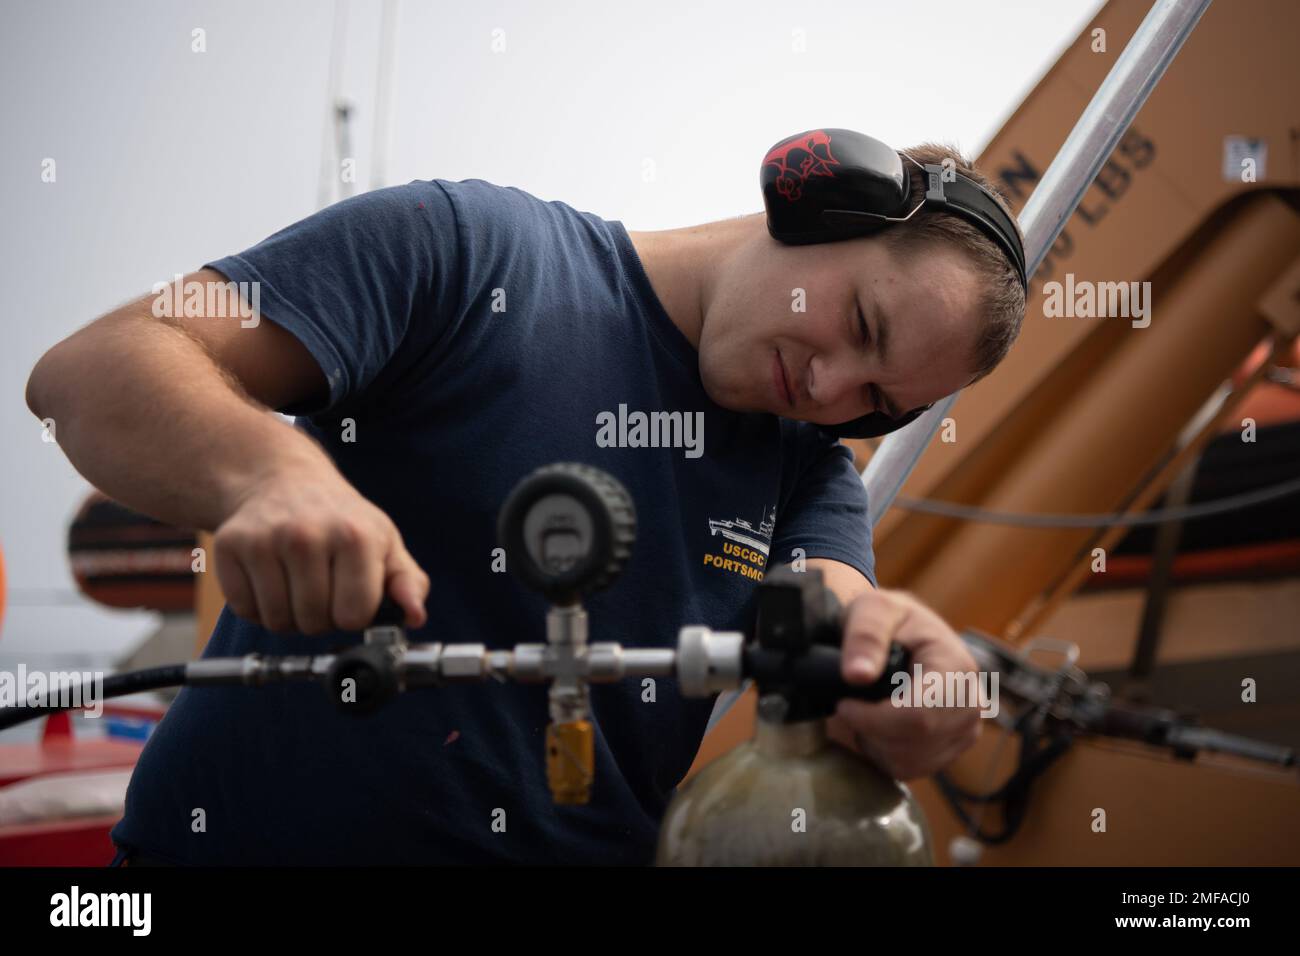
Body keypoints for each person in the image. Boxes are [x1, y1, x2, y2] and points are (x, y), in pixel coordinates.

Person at [25, 141, 1024, 864]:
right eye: (857, 323)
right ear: (818, 199)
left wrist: (908, 681)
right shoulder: (469, 253)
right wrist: (270, 476)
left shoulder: (807, 472)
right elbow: (99, 365)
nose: (831, 388)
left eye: (876, 403)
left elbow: (835, 615)